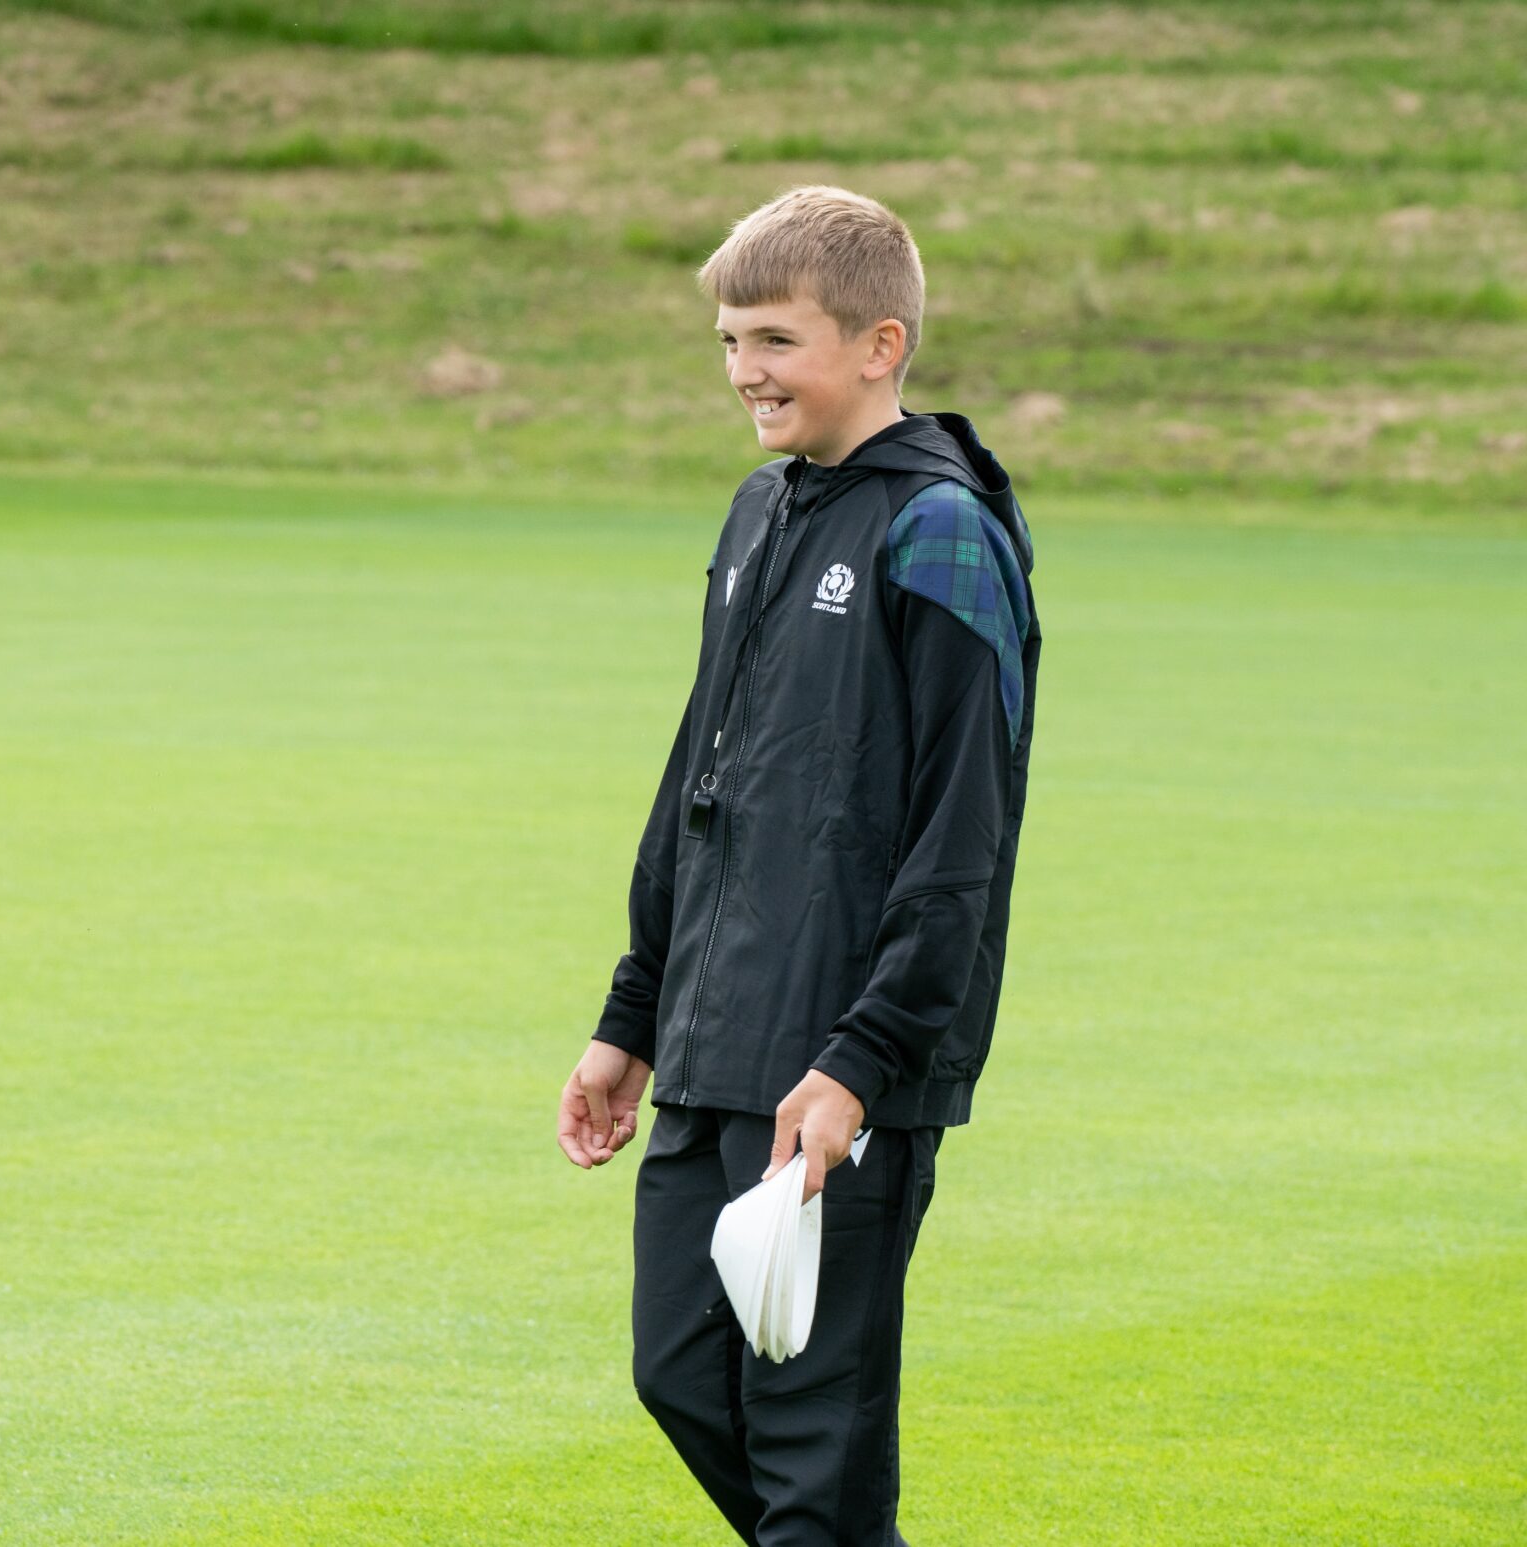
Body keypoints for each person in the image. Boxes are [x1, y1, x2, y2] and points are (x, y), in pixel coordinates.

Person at [554, 185, 1041, 1545]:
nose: (743, 373)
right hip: (716, 1040)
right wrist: (630, 1017)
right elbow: (698, 781)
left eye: (774, 339)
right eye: (726, 341)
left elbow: (964, 841)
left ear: (881, 345)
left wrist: (864, 1062)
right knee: (681, 1374)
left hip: (839, 1067)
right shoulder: (760, 511)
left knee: (813, 1449)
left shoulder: (941, 533)